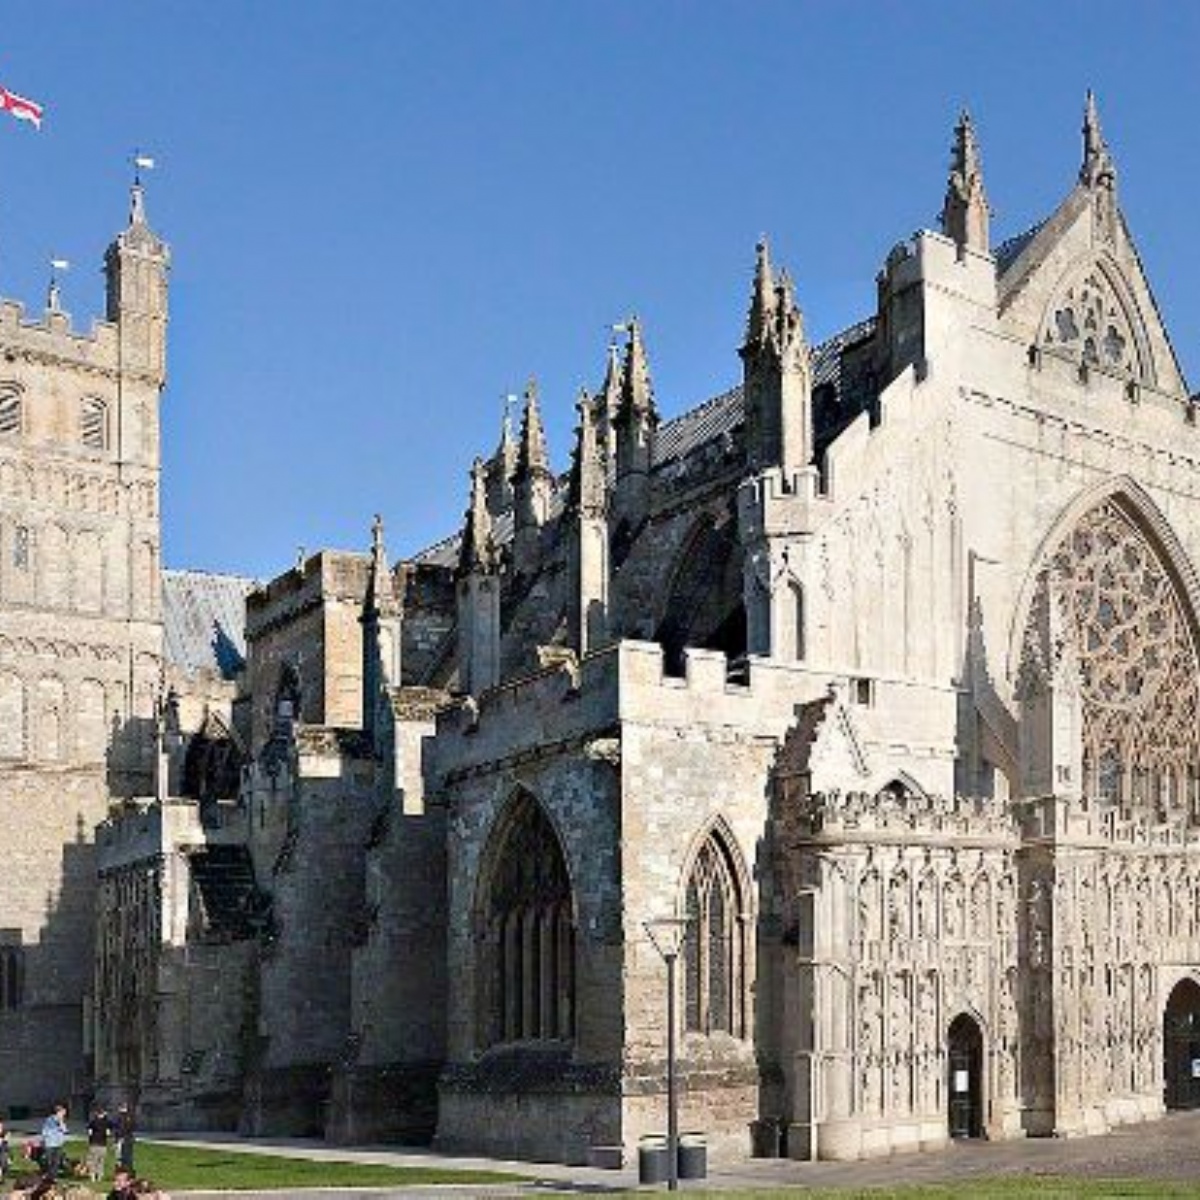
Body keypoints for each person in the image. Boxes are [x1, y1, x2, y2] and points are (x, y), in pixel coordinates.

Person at [38, 1104, 67, 1180]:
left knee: (56, 1161)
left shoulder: (61, 1121)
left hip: (58, 1144)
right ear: (58, 1112)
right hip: (50, 1144)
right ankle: (48, 1174)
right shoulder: (49, 1120)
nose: (64, 1114)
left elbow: (64, 1130)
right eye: (63, 1112)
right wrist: (44, 1140)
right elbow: (45, 1131)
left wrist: (61, 1122)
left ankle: (53, 1176)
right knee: (49, 1161)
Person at [86, 1107, 110, 1182]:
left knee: (93, 1161)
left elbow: (89, 1133)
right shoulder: (106, 1123)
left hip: (94, 1143)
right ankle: (99, 1176)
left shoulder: (92, 1122)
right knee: (101, 1161)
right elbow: (108, 1133)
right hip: (103, 1144)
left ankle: (92, 1176)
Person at [112, 1104, 135, 1173]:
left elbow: (119, 1129)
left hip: (122, 1139)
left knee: (120, 1157)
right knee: (128, 1157)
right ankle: (127, 1171)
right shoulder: (130, 1117)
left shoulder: (120, 1117)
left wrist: (117, 1139)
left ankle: (121, 1171)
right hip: (128, 1139)